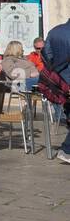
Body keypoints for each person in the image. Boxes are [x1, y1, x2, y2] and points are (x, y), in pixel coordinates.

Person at [40, 18, 70, 163]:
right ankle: (66, 149)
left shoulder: (54, 31)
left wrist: (54, 71)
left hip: (58, 81)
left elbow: (45, 55)